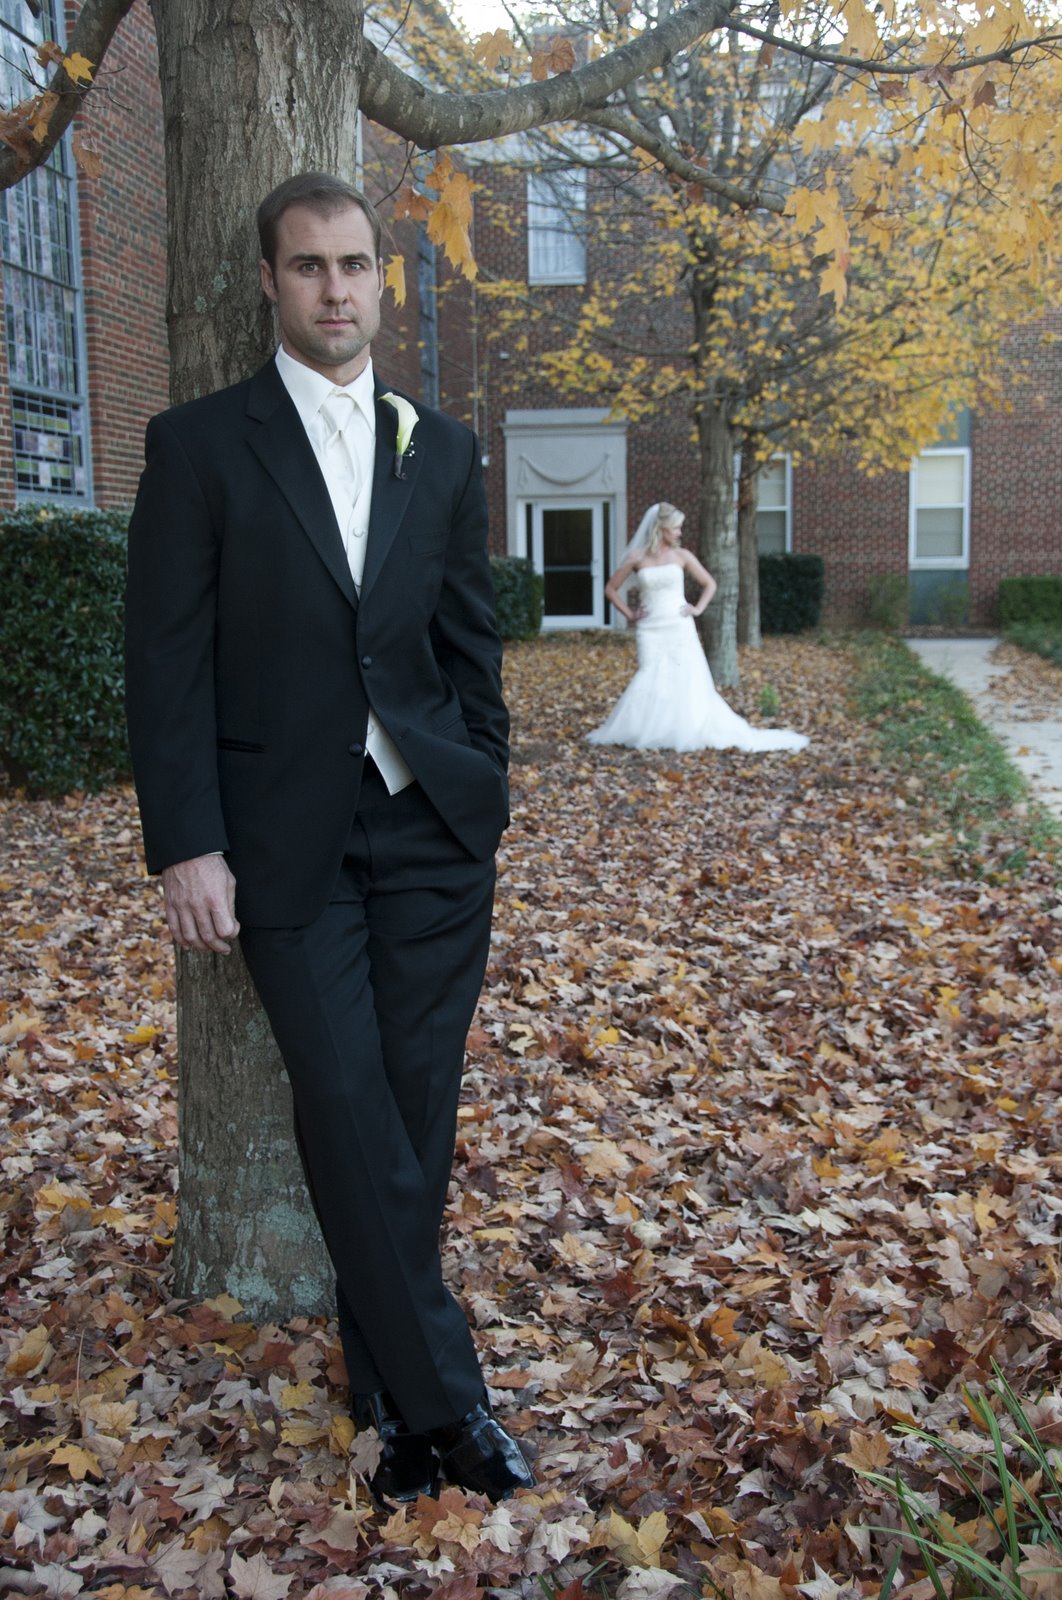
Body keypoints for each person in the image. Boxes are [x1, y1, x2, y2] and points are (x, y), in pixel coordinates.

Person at [124, 173, 534, 1508]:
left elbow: (469, 642)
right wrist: (187, 843)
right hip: (280, 843)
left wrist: (484, 787)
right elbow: (165, 665)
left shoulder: (444, 448)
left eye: (355, 265)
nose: (336, 289)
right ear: (267, 280)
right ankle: (452, 1408)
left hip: (429, 832)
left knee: (414, 1121)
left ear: (380, 279)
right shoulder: (198, 448)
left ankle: (393, 1404)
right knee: (349, 1107)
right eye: (308, 268)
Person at [587, 503, 810, 753]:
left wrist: (697, 608)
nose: (679, 532)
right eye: (675, 528)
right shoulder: (637, 557)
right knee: (650, 674)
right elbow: (610, 589)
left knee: (686, 677)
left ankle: (682, 728)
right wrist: (630, 614)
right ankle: (648, 730)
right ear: (660, 528)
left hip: (679, 626)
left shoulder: (682, 556)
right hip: (650, 628)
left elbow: (709, 583)